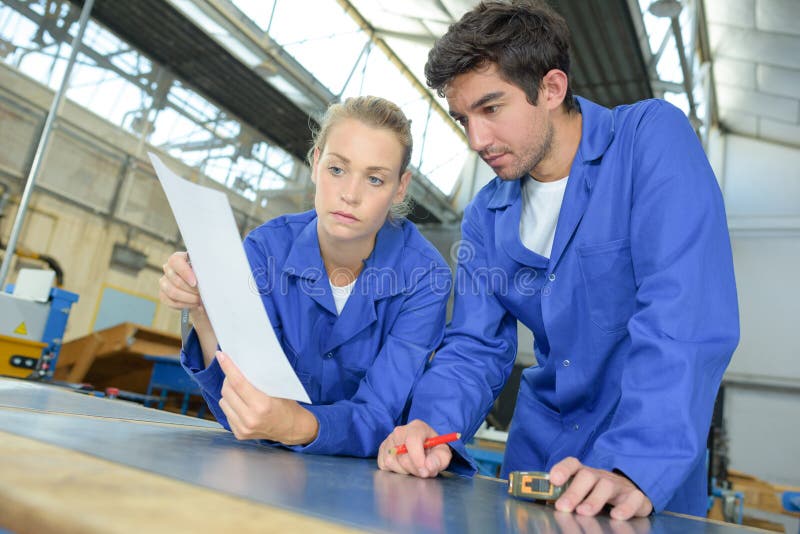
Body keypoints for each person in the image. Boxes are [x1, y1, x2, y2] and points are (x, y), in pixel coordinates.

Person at [377, 0, 739, 521]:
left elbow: (684, 313)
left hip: (638, 472)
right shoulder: (487, 213)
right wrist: (430, 426)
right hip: (537, 464)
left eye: (491, 108)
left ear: (551, 88)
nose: (476, 140)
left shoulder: (647, 142)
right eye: (463, 118)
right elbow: (474, 347)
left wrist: (633, 464)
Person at [158, 96, 451, 457]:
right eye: (337, 169)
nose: (350, 194)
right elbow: (237, 410)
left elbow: (380, 414)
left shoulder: (425, 278)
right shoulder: (266, 250)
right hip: (262, 469)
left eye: (375, 179)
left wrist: (298, 425)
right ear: (315, 163)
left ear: (400, 187)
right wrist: (204, 313)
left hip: (371, 484)